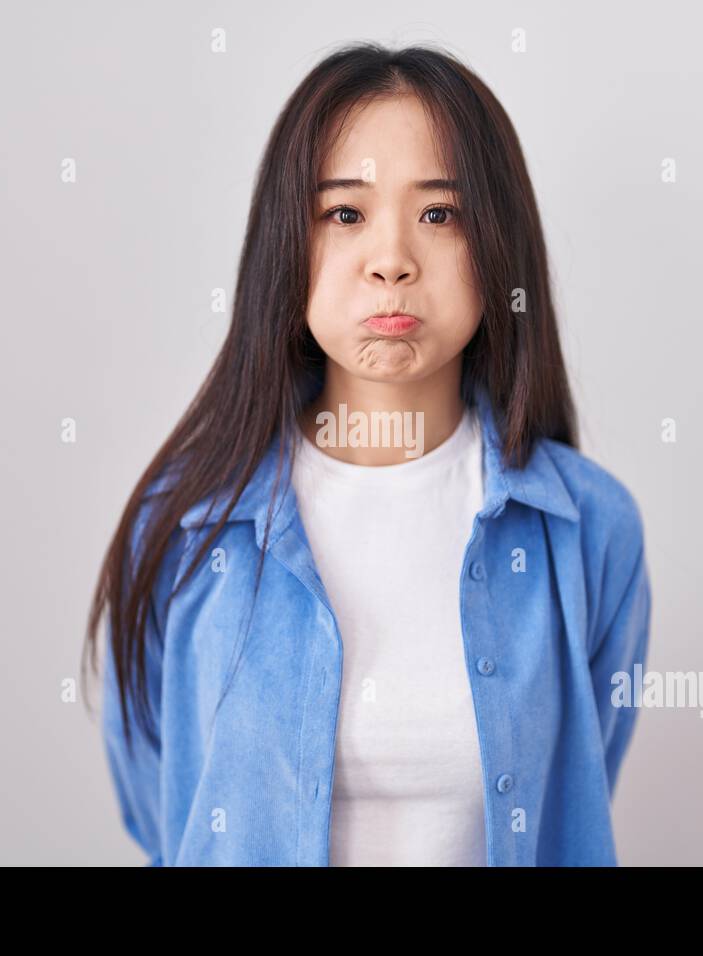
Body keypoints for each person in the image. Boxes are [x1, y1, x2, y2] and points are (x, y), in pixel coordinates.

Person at [83, 41, 652, 866]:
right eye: (345, 213)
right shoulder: (181, 527)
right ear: (290, 245)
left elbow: (569, 798)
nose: (392, 261)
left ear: (496, 246)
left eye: (440, 213)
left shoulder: (587, 531)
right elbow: (163, 803)